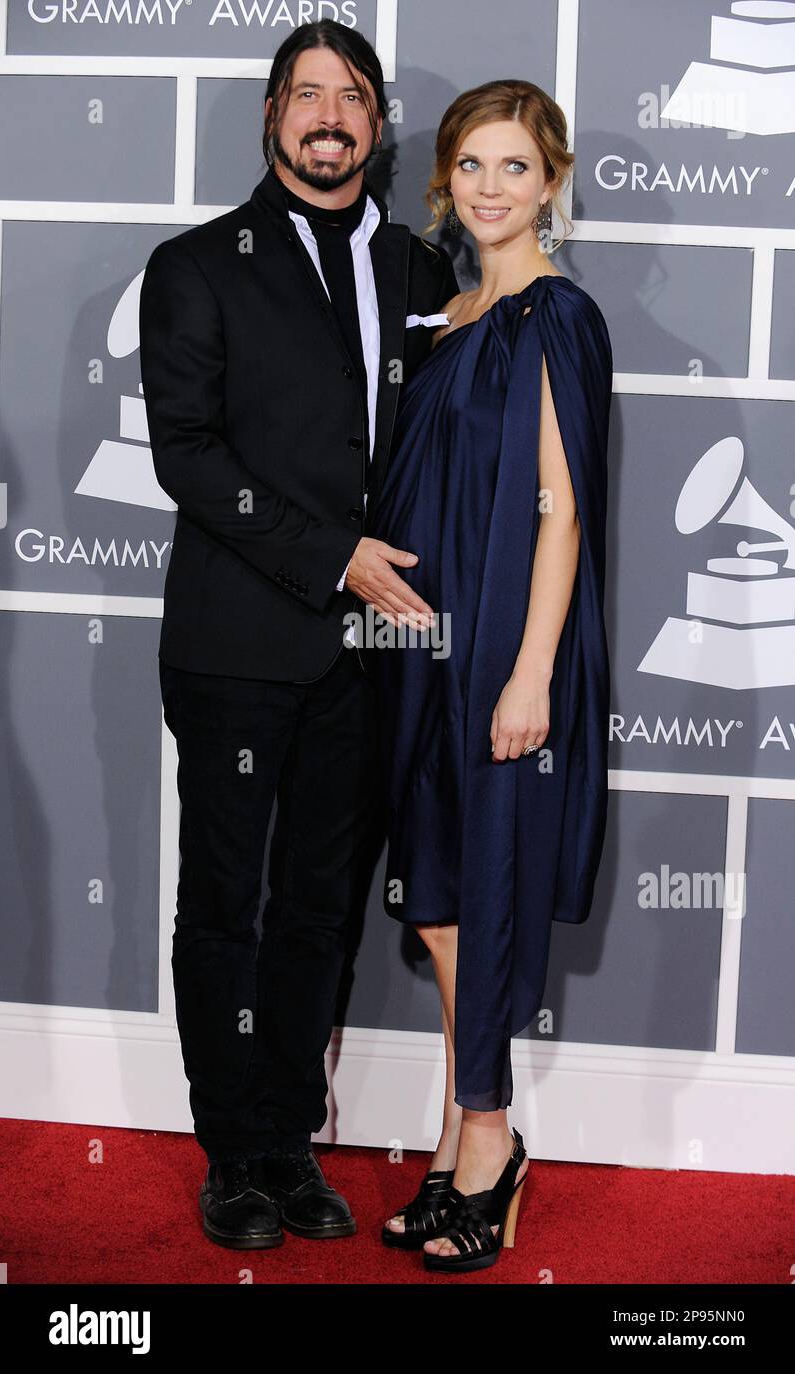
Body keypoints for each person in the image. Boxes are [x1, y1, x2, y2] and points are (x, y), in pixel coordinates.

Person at [139, 19, 458, 1251]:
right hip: (236, 644)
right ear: (274, 116)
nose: (331, 117)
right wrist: (330, 558)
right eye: (308, 95)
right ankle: (229, 1152)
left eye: (353, 98)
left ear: (374, 126)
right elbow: (188, 456)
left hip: (368, 661)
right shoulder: (197, 264)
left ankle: (286, 1138)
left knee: (320, 903)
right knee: (227, 902)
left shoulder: (425, 272)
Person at [368, 79, 614, 1273]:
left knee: (490, 898)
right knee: (444, 907)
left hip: (505, 655)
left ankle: (484, 1143)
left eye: (515, 167)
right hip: (422, 651)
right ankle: (476, 1131)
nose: (490, 188)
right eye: (471, 164)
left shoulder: (554, 319)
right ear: (445, 180)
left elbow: (561, 517)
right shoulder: (450, 315)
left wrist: (529, 677)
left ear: (553, 181)